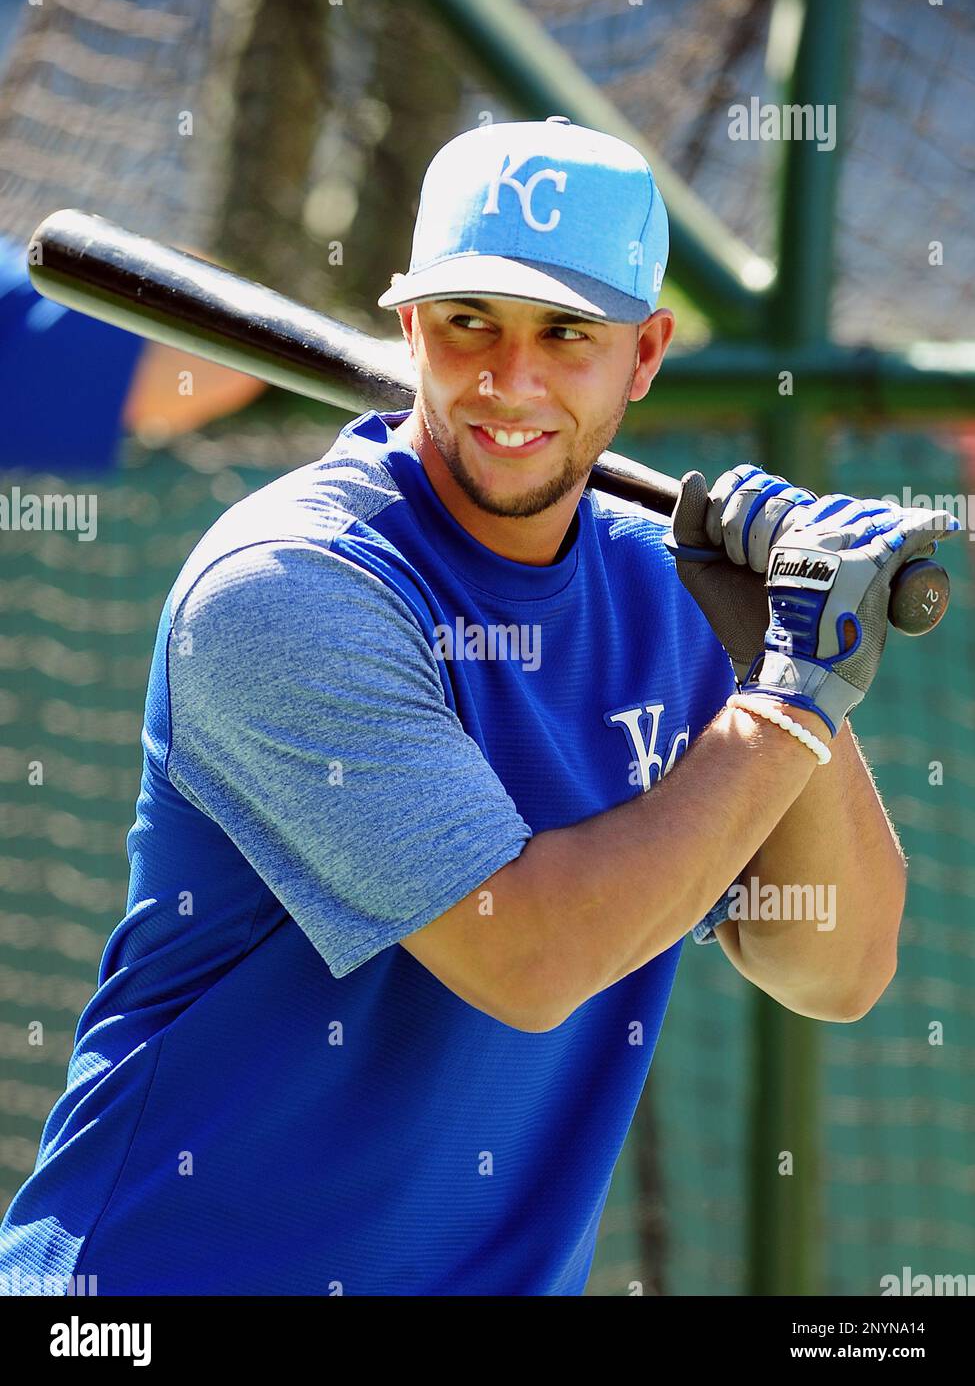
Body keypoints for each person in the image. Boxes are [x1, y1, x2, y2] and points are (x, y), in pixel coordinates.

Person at [0, 118, 957, 1297]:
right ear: (411, 328)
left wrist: (787, 652)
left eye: (567, 334)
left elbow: (837, 963)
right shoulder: (291, 587)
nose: (512, 380)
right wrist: (790, 699)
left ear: (647, 352)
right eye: (470, 326)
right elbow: (532, 956)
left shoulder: (675, 596)